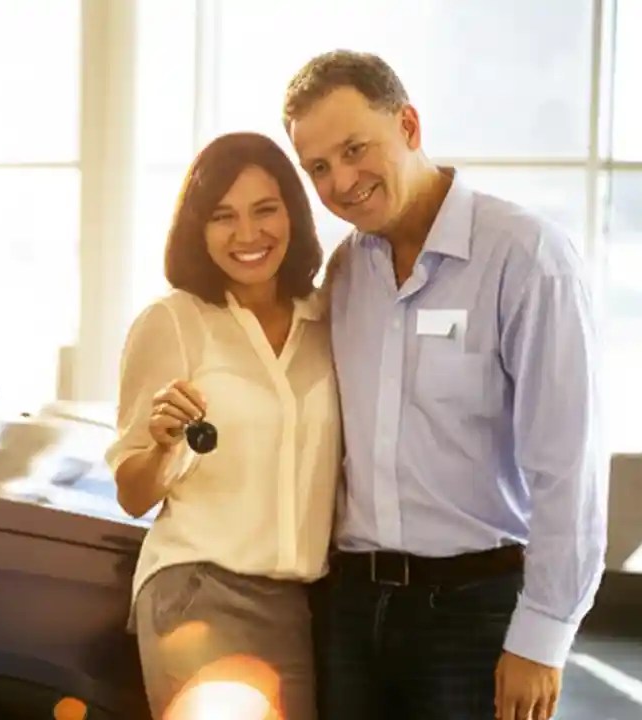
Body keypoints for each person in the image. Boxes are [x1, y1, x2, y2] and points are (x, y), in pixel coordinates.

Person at [282, 50, 608, 720]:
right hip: (351, 611)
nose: (341, 181)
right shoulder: (347, 269)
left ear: (408, 124)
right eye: (318, 167)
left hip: (475, 613)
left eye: (354, 148)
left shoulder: (527, 257)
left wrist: (543, 638)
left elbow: (568, 469)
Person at [106, 131, 341, 720]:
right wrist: (163, 449)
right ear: (197, 228)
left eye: (265, 210)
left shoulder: (329, 320)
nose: (248, 235)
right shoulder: (174, 321)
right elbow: (133, 495)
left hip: (303, 604)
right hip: (201, 595)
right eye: (223, 216)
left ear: (293, 213)